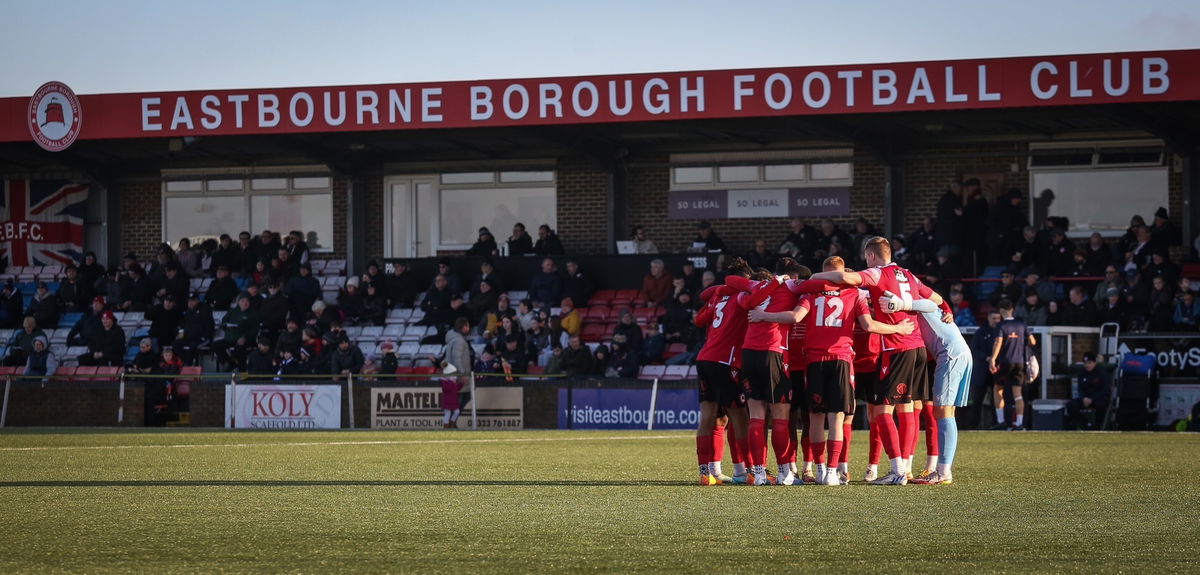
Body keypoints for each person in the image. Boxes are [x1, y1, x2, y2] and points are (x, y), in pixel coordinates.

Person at [808, 236, 953, 485]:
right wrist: (948, 309)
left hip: (897, 347)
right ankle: (904, 467)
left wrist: (814, 278)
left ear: (872, 255)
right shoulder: (908, 274)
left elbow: (844, 278)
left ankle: (896, 470)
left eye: (866, 257)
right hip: (917, 347)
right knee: (907, 409)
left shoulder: (876, 273)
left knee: (883, 411)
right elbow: (934, 297)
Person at [878, 287, 973, 485]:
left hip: (950, 354)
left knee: (943, 412)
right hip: (957, 351)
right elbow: (937, 302)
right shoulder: (912, 302)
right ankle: (943, 469)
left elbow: (931, 303)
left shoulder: (913, 300)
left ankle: (943, 471)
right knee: (946, 412)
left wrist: (905, 303)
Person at [691, 258, 754, 485]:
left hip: (704, 357)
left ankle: (707, 472)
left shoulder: (719, 295)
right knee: (740, 417)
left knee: (711, 417)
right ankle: (748, 471)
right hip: (726, 361)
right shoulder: (743, 295)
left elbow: (699, 319)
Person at [988, 299, 1037, 430]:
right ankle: (1019, 423)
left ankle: (1001, 421)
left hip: (1005, 362)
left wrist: (993, 359)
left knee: (998, 389)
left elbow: (998, 342)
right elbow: (1032, 341)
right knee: (1018, 393)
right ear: (1012, 310)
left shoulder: (1002, 325)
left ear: (1001, 311)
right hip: (1020, 362)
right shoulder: (1022, 324)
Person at [439, 318, 474, 427]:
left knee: (462, 398)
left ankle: (451, 423)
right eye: (467, 326)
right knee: (460, 399)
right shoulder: (459, 341)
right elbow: (457, 358)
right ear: (464, 327)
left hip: (454, 375)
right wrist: (462, 374)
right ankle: (450, 423)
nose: (469, 328)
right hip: (458, 377)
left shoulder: (453, 339)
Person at [213, 295, 260, 371]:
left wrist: (245, 337)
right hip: (231, 337)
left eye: (247, 301)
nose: (245, 303)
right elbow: (224, 322)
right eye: (243, 301)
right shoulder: (233, 311)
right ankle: (231, 363)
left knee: (239, 348)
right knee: (216, 345)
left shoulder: (253, 314)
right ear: (238, 302)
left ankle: (242, 370)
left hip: (245, 339)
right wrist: (226, 326)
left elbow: (255, 329)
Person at [1066, 352, 1109, 430]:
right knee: (1070, 405)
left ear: (1094, 363)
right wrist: (1083, 398)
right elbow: (1080, 389)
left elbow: (1104, 390)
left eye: (1089, 363)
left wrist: (1092, 399)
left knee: (1101, 406)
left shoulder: (1101, 373)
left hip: (1097, 399)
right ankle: (1085, 425)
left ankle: (1097, 427)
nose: (1087, 365)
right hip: (1085, 399)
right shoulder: (1082, 373)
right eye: (1085, 363)